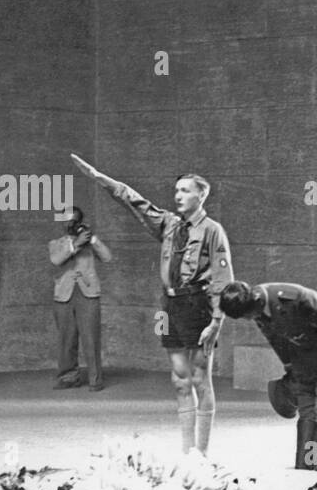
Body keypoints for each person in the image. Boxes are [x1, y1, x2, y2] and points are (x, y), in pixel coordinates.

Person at [70, 154, 233, 454]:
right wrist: (98, 177)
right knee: (180, 381)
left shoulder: (212, 230)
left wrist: (217, 321)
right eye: (176, 191)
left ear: (201, 195)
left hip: (198, 305)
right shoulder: (169, 224)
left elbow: (223, 279)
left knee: (200, 378)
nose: (178, 196)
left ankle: (203, 455)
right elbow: (133, 200)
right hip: (169, 306)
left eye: (185, 191)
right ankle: (187, 455)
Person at [219, 281, 317, 472]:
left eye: (248, 315)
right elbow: (275, 339)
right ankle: (305, 467)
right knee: (307, 410)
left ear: (256, 302)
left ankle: (315, 471)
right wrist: (289, 366)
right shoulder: (257, 309)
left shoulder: (296, 298)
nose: (250, 319)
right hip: (302, 355)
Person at [48, 206, 112, 391]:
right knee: (66, 339)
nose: (70, 223)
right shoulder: (56, 243)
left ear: (80, 222)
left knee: (91, 338)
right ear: (62, 222)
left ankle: (95, 380)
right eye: (67, 220)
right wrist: (75, 245)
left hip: (88, 293)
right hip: (64, 295)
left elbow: (107, 257)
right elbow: (56, 260)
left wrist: (92, 239)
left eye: (74, 220)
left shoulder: (90, 243)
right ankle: (69, 377)